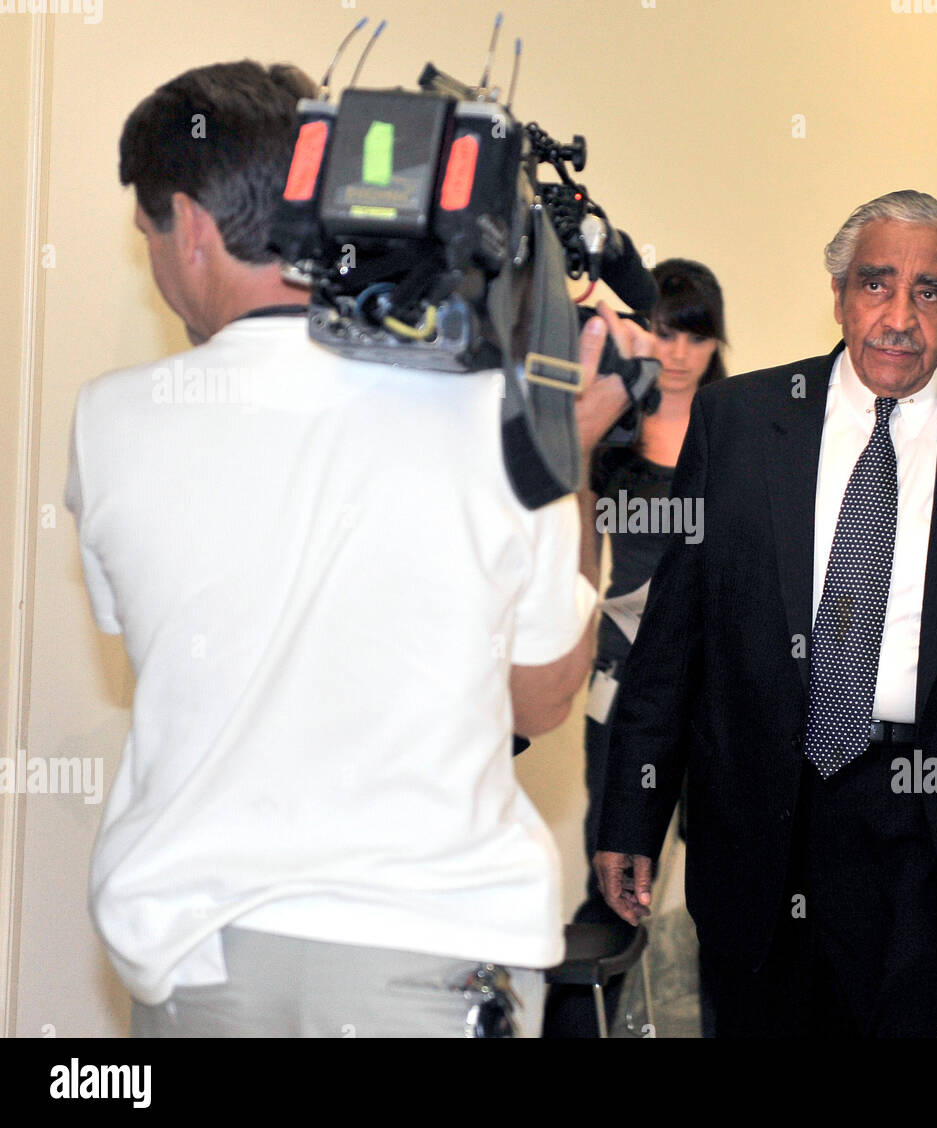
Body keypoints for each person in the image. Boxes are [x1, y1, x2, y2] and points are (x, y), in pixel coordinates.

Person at [65, 59, 641, 1037]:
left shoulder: (108, 423)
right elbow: (542, 696)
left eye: (148, 234)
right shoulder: (495, 412)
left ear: (190, 226)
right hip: (424, 961)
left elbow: (164, 626)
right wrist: (565, 456)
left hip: (195, 967)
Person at [594, 190, 937, 1038]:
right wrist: (632, 813)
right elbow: (673, 640)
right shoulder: (740, 423)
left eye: (930, 292)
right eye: (876, 285)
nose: (900, 317)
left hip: (928, 822)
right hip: (760, 817)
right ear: (838, 295)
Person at [543, 259, 727, 1037]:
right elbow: (582, 558)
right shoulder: (609, 429)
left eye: (695, 334)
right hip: (623, 682)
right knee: (613, 877)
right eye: (662, 331)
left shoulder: (744, 427)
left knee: (730, 893)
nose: (678, 351)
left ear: (718, 343)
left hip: (721, 689)